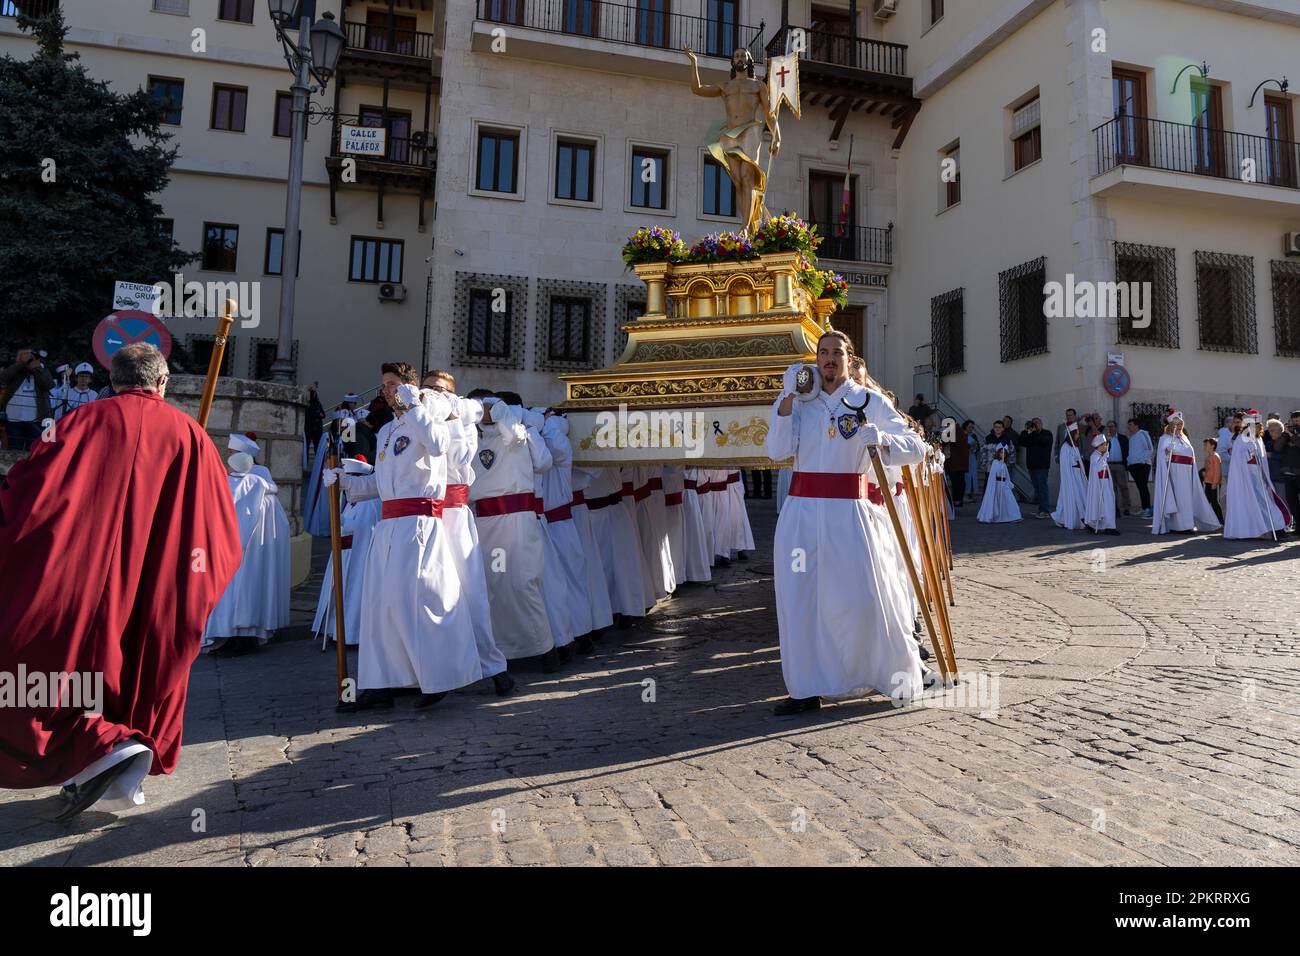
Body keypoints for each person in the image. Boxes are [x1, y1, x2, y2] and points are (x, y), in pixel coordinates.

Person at [0, 343, 240, 821]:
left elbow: (28, 493)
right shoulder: (190, 435)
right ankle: (115, 748)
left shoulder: (77, 423)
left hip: (81, 580)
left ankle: (105, 747)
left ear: (112, 380)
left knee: (49, 672)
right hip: (156, 589)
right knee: (132, 663)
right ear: (163, 383)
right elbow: (217, 531)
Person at [765, 331, 931, 716]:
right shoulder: (800, 403)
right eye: (823, 353)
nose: (829, 359)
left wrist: (884, 441)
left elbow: (917, 446)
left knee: (864, 598)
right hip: (802, 516)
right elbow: (776, 451)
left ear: (848, 358)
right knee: (801, 601)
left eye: (836, 353)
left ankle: (891, 675)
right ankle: (805, 688)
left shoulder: (868, 401)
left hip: (851, 514)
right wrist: (787, 397)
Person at [326, 363, 483, 708]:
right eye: (383, 385)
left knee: (421, 600)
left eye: (393, 384)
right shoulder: (385, 432)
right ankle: (382, 682)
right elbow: (382, 485)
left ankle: (439, 675)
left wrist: (415, 407)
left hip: (419, 523)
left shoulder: (429, 418)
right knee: (382, 606)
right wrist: (345, 481)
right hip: (387, 526)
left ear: (410, 387)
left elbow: (440, 445)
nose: (386, 390)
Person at [425, 376, 513, 693]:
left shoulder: (461, 425)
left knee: (469, 594)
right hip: (424, 520)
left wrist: (447, 413)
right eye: (429, 389)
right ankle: (430, 671)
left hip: (454, 518)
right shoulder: (416, 422)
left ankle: (493, 666)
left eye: (440, 390)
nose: (433, 395)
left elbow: (455, 455)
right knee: (430, 595)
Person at [468, 390, 559, 671]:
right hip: (482, 522)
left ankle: (543, 648)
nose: (484, 414)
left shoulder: (516, 432)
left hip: (515, 519)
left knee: (521, 583)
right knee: (492, 587)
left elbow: (540, 459)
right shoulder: (471, 438)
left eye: (488, 408)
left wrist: (502, 411)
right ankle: (500, 652)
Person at [202, 444, 283, 654]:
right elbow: (272, 491)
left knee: (228, 592)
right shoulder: (260, 483)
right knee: (250, 590)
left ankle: (230, 636)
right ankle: (246, 635)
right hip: (254, 548)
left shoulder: (225, 483)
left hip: (229, 545)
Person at [312, 455, 383, 648]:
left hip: (359, 556)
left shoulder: (369, 503)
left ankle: (351, 636)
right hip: (346, 553)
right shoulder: (351, 502)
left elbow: (369, 529)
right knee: (340, 594)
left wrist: (346, 526)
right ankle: (337, 631)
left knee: (354, 594)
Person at [1223, 411, 1292, 539]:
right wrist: (1249, 453)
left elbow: (1262, 458)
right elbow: (1238, 458)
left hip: (1258, 474)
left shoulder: (1259, 439)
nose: (1255, 427)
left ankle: (1277, 528)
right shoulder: (1242, 438)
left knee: (1266, 501)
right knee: (1257, 503)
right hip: (1246, 476)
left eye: (1257, 424)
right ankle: (1258, 530)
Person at [1151, 409, 1221, 535]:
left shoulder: (1184, 438)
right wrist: (1167, 451)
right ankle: (1178, 526)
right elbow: (1163, 457)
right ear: (1171, 425)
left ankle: (1188, 524)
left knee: (1187, 498)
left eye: (1180, 424)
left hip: (1187, 472)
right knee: (1179, 498)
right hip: (1175, 472)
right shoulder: (1165, 438)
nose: (1178, 427)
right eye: (1176, 424)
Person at [2, 348, 55, 451]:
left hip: (35, 419)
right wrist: (21, 364)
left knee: (33, 450)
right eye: (26, 356)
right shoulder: (15, 370)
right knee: (14, 449)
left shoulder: (41, 369)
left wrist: (36, 368)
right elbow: (4, 377)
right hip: (14, 418)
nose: (29, 358)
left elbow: (48, 384)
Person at [1052, 423, 1088, 530]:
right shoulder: (1065, 447)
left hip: (1078, 476)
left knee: (1081, 496)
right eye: (1076, 433)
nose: (1078, 435)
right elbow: (1065, 465)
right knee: (1071, 497)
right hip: (1071, 477)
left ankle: (1082, 518)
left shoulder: (1075, 447)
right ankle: (1068, 519)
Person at [1084, 433, 1119, 535]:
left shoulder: (1101, 455)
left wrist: (1104, 457)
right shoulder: (1094, 456)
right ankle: (1104, 526)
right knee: (1103, 505)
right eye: (1103, 444)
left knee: (1109, 504)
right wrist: (1103, 458)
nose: (1105, 446)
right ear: (1099, 445)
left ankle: (1109, 525)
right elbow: (1097, 468)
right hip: (1099, 485)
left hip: (1105, 483)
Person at [1019, 417, 1054, 518]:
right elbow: (1021, 442)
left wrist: (1033, 432)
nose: (1035, 425)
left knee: (1043, 488)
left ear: (1041, 424)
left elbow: (1043, 442)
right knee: (1037, 489)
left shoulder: (1047, 433)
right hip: (1031, 466)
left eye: (1037, 423)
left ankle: (1045, 511)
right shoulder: (1030, 434)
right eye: (1033, 423)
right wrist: (1026, 430)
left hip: (1042, 466)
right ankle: (1041, 510)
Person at [977, 445, 1021, 523]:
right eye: (1001, 453)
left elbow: (1007, 476)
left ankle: (1013, 516)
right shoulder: (995, 463)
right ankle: (995, 516)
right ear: (998, 453)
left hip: (1004, 485)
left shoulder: (1004, 464)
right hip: (996, 485)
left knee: (1009, 499)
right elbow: (993, 475)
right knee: (997, 500)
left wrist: (1008, 483)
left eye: (1004, 453)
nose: (1003, 455)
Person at [1125, 419, 1154, 518]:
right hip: (1133, 465)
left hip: (1143, 465)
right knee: (1140, 487)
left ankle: (1147, 510)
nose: (1128, 427)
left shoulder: (1143, 434)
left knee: (1143, 486)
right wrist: (1129, 463)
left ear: (1136, 425)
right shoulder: (1132, 437)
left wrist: (1142, 460)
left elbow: (1150, 449)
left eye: (1130, 425)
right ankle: (1143, 508)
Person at [1104, 421, 1131, 517]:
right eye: (1108, 426)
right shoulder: (1105, 439)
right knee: (1112, 488)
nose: (1110, 428)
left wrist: (1126, 464)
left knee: (1123, 487)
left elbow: (1128, 451)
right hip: (1109, 465)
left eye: (1112, 426)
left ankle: (1126, 507)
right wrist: (1107, 441)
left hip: (1120, 465)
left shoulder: (1123, 438)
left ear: (1116, 427)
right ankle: (1115, 508)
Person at [943, 418, 971, 507]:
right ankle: (957, 500)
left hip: (956, 462)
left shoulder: (956, 431)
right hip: (957, 462)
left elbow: (945, 440)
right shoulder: (957, 431)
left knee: (957, 482)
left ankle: (957, 500)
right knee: (958, 481)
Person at [1201, 437, 1224, 524]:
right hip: (1208, 482)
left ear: (1212, 446)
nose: (1204, 446)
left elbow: (1217, 471)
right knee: (1208, 501)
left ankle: (1220, 521)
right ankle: (1212, 520)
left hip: (1214, 483)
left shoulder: (1215, 457)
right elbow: (1208, 469)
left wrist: (1215, 483)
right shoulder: (1207, 457)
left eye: (1206, 445)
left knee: (1215, 502)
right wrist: (1204, 474)